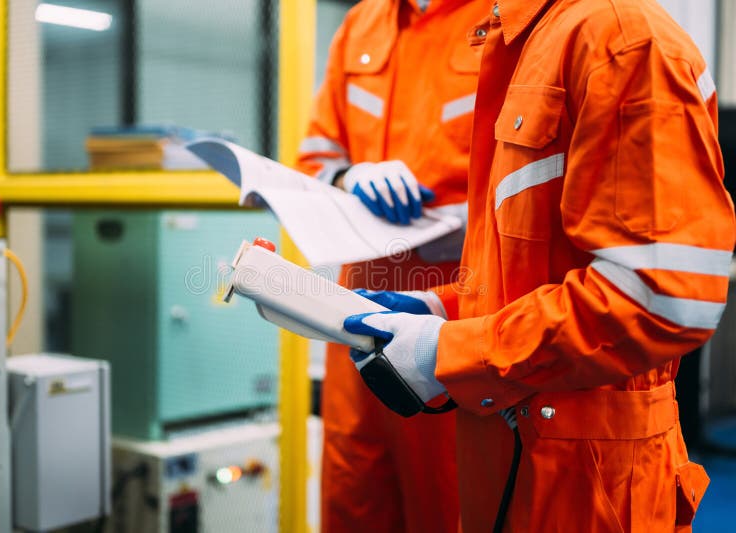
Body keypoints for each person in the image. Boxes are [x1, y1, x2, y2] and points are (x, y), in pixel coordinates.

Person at [344, 0, 736, 531]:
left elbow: (662, 296)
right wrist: (443, 309)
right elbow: (541, 264)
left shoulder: (621, 40)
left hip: (589, 485)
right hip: (524, 459)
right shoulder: (526, 40)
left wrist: (456, 348)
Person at [295, 0, 491, 531]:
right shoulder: (363, 22)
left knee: (449, 500)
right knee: (354, 489)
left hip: (454, 317)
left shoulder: (504, 18)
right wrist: (349, 176)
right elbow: (315, 158)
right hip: (356, 314)